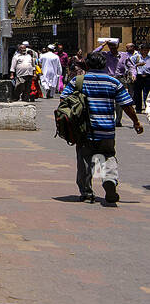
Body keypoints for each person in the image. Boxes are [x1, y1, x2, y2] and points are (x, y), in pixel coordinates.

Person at [60, 50, 143, 204]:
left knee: (85, 160)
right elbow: (127, 105)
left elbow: (63, 99)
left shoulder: (78, 81)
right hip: (107, 130)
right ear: (104, 65)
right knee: (108, 156)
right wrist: (136, 122)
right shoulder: (113, 82)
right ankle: (109, 179)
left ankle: (87, 192)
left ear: (87, 65)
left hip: (85, 130)